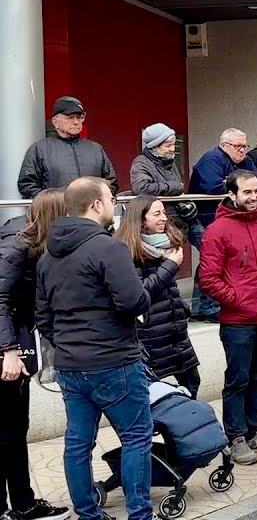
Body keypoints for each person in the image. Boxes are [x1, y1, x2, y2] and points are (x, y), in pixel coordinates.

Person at [35, 178, 152, 520]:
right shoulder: (107, 247)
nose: (114, 204)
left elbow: (43, 316)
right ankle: (140, 515)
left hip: (71, 365)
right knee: (135, 438)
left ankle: (88, 514)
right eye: (111, 198)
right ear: (96, 205)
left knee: (77, 444)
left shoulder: (48, 255)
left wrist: (69, 344)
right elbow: (133, 301)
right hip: (114, 361)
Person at [198, 169, 257, 464]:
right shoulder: (217, 231)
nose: (253, 197)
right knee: (237, 379)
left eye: (256, 191)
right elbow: (208, 278)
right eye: (247, 192)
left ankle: (255, 431)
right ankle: (236, 436)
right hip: (238, 321)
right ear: (232, 194)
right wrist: (238, 300)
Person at [0, 190, 69, 520]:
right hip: (7, 347)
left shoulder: (38, 245)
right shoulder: (15, 247)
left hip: (18, 339)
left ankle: (24, 504)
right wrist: (8, 351)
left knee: (16, 429)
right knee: (4, 432)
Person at [115, 196, 199, 397]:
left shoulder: (167, 245)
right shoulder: (127, 250)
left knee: (192, 382)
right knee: (153, 393)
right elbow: (140, 291)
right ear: (141, 219)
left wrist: (181, 309)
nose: (164, 218)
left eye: (163, 212)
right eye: (157, 213)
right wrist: (170, 266)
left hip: (175, 331)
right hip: (151, 334)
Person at [188, 128, 257, 321]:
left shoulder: (246, 161)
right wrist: (238, 185)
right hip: (203, 219)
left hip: (228, 221)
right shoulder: (211, 159)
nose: (242, 150)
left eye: (244, 146)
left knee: (213, 261)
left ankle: (201, 306)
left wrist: (231, 184)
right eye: (237, 146)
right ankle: (208, 307)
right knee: (214, 261)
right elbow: (212, 187)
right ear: (224, 145)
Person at [17, 97, 117, 199]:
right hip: (56, 213)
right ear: (55, 122)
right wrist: (52, 204)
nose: (76, 122)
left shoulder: (96, 149)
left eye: (79, 117)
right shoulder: (39, 149)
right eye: (70, 117)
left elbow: (111, 183)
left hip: (91, 212)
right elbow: (27, 185)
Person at [129, 122, 198, 232]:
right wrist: (173, 187)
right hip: (159, 222)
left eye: (173, 144)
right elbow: (141, 188)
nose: (172, 149)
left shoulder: (169, 161)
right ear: (154, 147)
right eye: (168, 145)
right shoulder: (141, 163)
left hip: (179, 219)